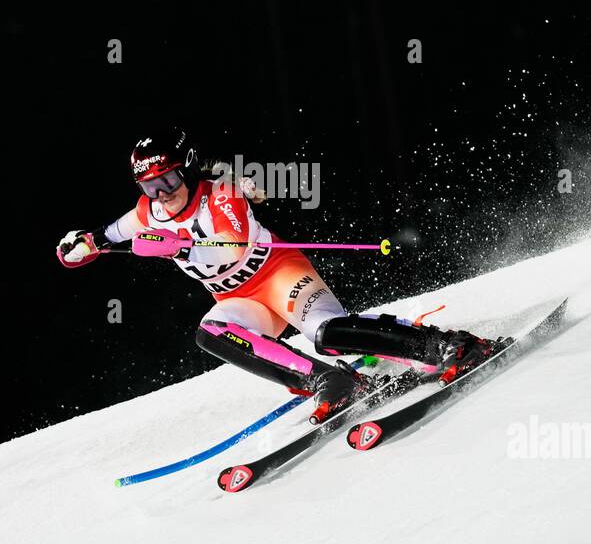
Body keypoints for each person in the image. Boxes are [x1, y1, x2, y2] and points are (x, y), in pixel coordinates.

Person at [57, 128, 508, 423]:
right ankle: (329, 381)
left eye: (169, 182)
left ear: (186, 172)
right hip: (242, 299)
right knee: (211, 332)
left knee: (326, 332)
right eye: (149, 187)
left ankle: (450, 345)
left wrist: (179, 244)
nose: (161, 195)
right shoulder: (147, 212)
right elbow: (104, 236)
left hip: (278, 274)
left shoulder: (223, 194)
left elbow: (232, 246)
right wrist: (81, 246)